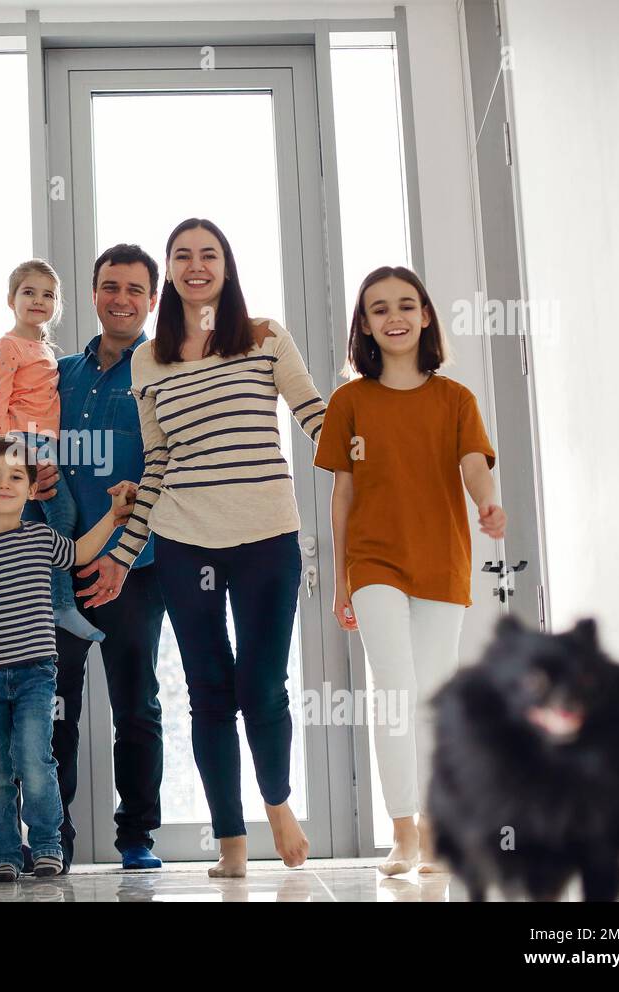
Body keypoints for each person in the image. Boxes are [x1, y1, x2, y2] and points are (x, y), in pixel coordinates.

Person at [88, 218, 327, 877]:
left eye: (209, 254)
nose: (196, 265)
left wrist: (375, 443)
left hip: (266, 537)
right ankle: (231, 844)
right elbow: (158, 464)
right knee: (208, 691)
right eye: (183, 256)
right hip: (184, 541)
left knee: (263, 686)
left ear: (227, 266)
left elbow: (314, 415)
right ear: (171, 271)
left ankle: (277, 804)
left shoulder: (263, 337)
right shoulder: (149, 359)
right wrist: (120, 552)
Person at [313, 264, 504, 875]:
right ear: (364, 326)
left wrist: (488, 503)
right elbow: (342, 495)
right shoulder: (348, 401)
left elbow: (475, 465)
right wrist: (342, 576)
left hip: (441, 560)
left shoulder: (455, 400)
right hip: (374, 562)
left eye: (404, 304)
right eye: (378, 308)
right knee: (393, 692)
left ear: (425, 316)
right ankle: (403, 833)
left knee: (429, 696)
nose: (393, 317)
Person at [0, 435, 137, 882]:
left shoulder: (42, 538)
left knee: (35, 760)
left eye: (15, 477)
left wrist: (114, 516)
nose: (3, 484)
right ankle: (5, 856)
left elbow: (82, 552)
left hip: (35, 675)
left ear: (31, 488)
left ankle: (48, 846)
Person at [28, 243, 169, 871]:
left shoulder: (162, 373)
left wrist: (122, 548)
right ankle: (53, 843)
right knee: (55, 712)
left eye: (135, 290)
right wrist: (30, 473)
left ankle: (136, 837)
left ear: (152, 300)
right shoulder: (58, 373)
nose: (122, 299)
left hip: (136, 567)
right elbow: (23, 443)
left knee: (136, 707)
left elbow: (171, 472)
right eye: (111, 287)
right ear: (92, 294)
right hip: (59, 571)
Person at [0, 259, 104, 643]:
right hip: (25, 442)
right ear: (11, 299)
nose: (39, 300)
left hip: (48, 444)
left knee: (29, 526)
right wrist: (6, 455)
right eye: (29, 292)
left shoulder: (45, 350)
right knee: (64, 513)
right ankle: (61, 602)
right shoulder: (8, 346)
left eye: (48, 295)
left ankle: (25, 604)